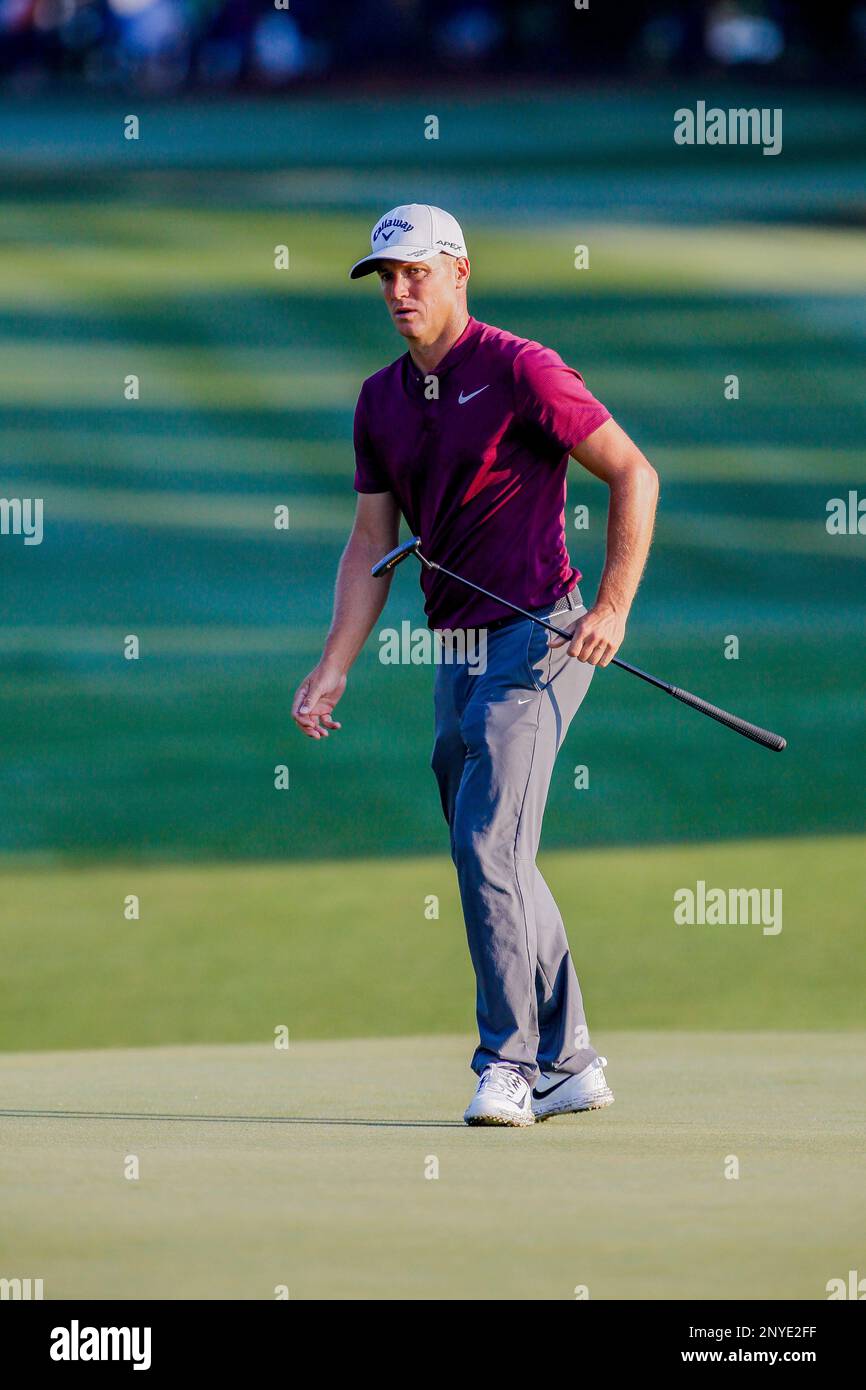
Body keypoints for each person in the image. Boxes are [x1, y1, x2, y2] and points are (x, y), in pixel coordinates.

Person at [292, 204, 659, 1126]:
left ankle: (510, 1061)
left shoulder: (520, 367)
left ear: (460, 272)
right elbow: (372, 541)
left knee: (488, 840)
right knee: (492, 847)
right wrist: (336, 662)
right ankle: (570, 1059)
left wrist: (612, 608)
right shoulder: (379, 400)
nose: (398, 291)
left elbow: (632, 472)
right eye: (386, 276)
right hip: (456, 645)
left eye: (415, 272)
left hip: (542, 633)